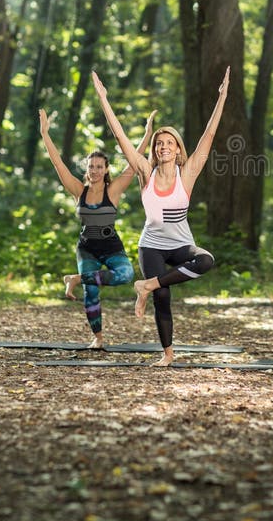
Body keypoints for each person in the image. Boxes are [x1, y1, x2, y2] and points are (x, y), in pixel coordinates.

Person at [92, 67, 230, 366]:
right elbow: (120, 136)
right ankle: (167, 354)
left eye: (170, 142)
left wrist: (222, 98)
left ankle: (147, 285)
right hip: (151, 245)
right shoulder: (145, 172)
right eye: (159, 143)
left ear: (178, 149)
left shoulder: (188, 173)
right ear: (155, 149)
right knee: (163, 298)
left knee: (205, 260)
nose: (163, 146)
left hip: (181, 244)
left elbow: (209, 135)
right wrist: (103, 98)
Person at [39, 108, 155, 348]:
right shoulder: (77, 190)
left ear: (106, 169)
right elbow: (58, 163)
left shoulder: (113, 191)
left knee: (126, 275)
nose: (94, 170)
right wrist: (45, 133)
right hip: (87, 248)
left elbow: (133, 165)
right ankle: (98, 338)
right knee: (91, 293)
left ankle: (76, 278)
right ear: (87, 169)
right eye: (91, 166)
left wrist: (147, 133)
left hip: (111, 246)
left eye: (99, 167)